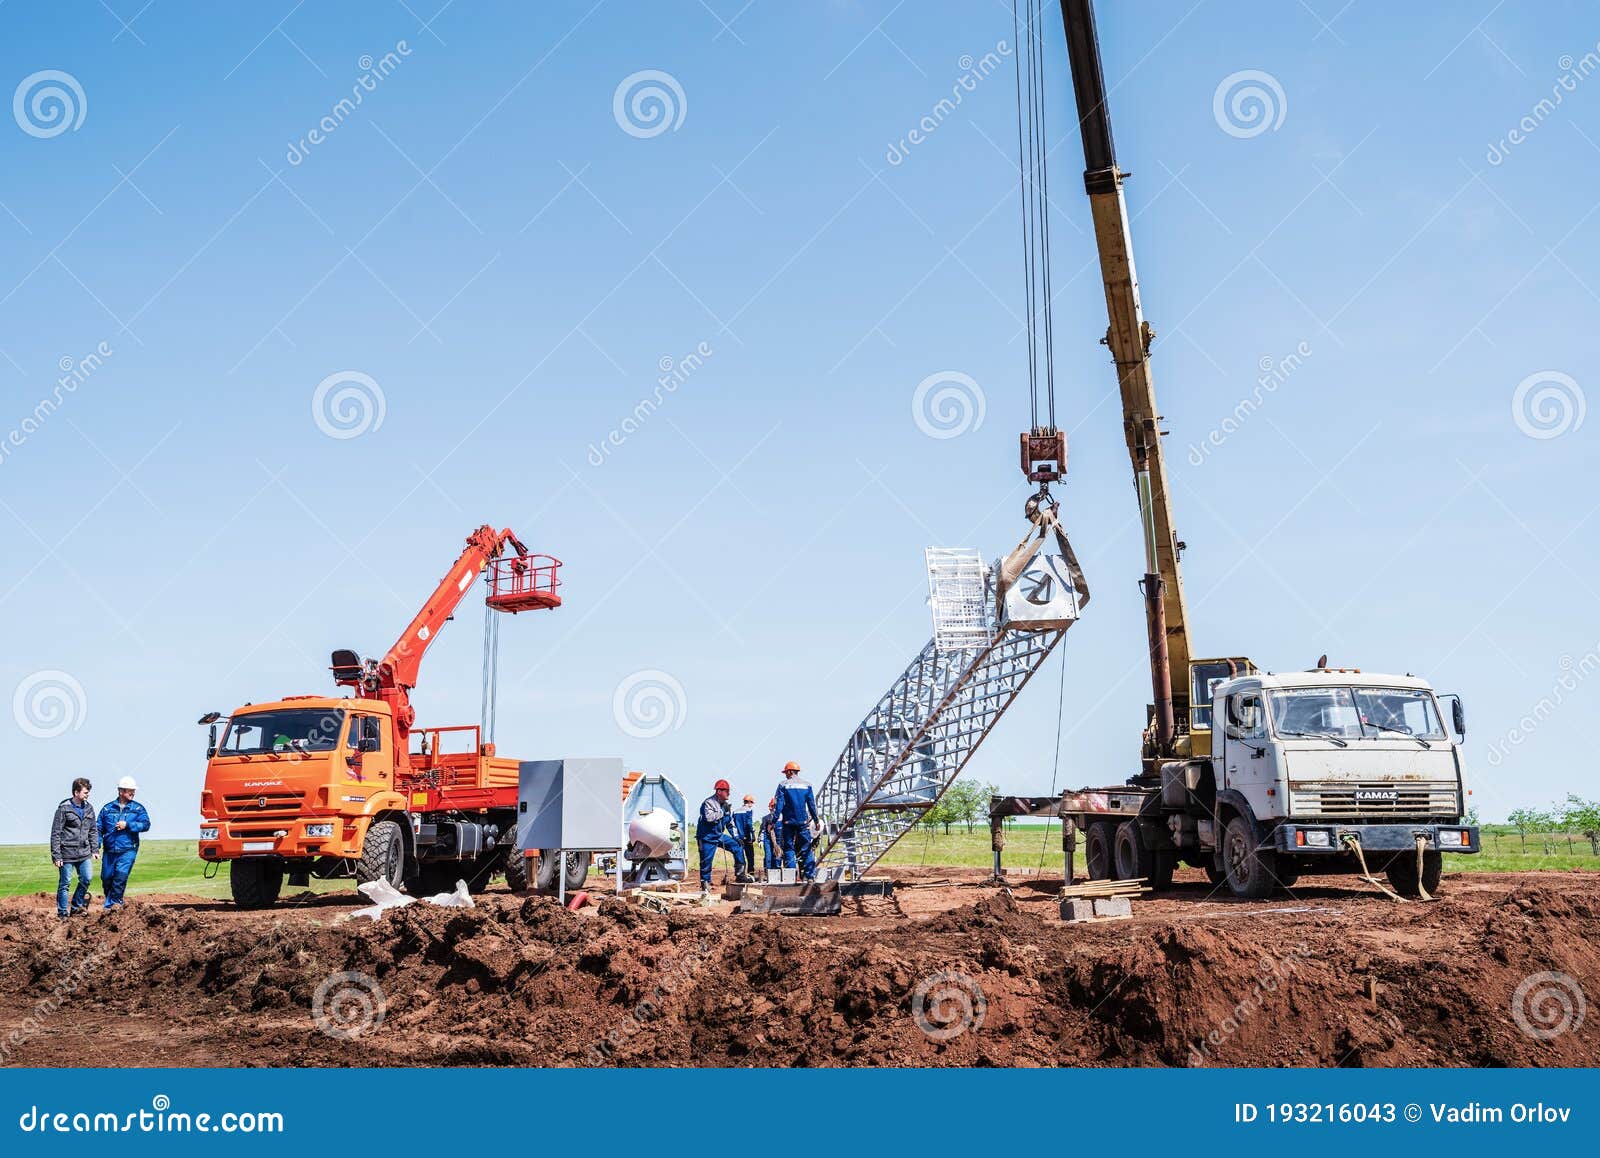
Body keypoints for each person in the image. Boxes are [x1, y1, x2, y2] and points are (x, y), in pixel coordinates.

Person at [97, 776, 150, 910]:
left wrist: (128, 825)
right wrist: (96, 846)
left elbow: (145, 825)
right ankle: (111, 902)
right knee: (106, 878)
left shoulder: (138, 809)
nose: (133, 793)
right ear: (121, 791)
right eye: (130, 790)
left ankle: (114, 905)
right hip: (109, 850)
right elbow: (98, 829)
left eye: (133, 790)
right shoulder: (107, 809)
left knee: (120, 876)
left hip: (128, 849)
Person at [50, 777, 98, 918]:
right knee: (65, 883)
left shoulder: (89, 808)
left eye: (88, 792)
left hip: (84, 852)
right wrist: (56, 856)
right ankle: (63, 913)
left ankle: (76, 906)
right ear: (76, 792)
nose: (87, 794)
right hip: (67, 854)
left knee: (87, 878)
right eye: (85, 792)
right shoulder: (64, 809)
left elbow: (93, 830)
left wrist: (95, 849)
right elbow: (56, 833)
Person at [694, 778, 752, 890]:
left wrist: (736, 837)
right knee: (706, 860)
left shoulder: (725, 805)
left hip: (718, 835)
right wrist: (721, 811)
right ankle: (705, 883)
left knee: (738, 846)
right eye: (726, 791)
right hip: (707, 837)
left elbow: (730, 823)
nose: (729, 793)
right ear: (719, 791)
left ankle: (740, 875)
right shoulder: (708, 803)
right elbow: (709, 818)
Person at [772, 760, 819, 881]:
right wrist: (816, 820)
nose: (785, 775)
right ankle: (810, 877)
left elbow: (779, 805)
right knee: (806, 848)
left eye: (786, 773)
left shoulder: (783, 785)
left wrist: (773, 821)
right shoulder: (807, 785)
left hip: (788, 822)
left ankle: (791, 878)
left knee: (789, 848)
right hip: (803, 822)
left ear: (789, 771)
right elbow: (811, 805)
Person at [732, 794, 757, 875]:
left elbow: (733, 825)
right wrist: (753, 834)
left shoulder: (735, 811)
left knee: (739, 856)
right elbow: (749, 824)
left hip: (738, 838)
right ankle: (750, 873)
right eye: (752, 803)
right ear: (749, 802)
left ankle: (740, 873)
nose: (751, 805)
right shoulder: (749, 810)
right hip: (747, 837)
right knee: (750, 856)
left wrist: (735, 836)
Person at [759, 798, 781, 873]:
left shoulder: (781, 818)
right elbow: (762, 830)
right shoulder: (765, 818)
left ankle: (777, 871)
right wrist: (761, 840)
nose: (772, 808)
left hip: (778, 839)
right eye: (772, 806)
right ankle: (768, 872)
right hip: (767, 838)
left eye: (774, 806)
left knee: (778, 855)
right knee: (768, 855)